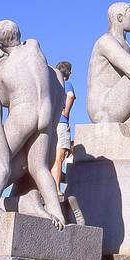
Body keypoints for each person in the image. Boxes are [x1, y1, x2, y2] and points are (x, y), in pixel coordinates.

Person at [51, 61, 76, 189]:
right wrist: (65, 113)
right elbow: (70, 96)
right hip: (61, 123)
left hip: (52, 124)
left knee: (52, 157)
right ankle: (56, 189)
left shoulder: (53, 87)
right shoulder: (67, 84)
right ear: (68, 73)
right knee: (59, 157)